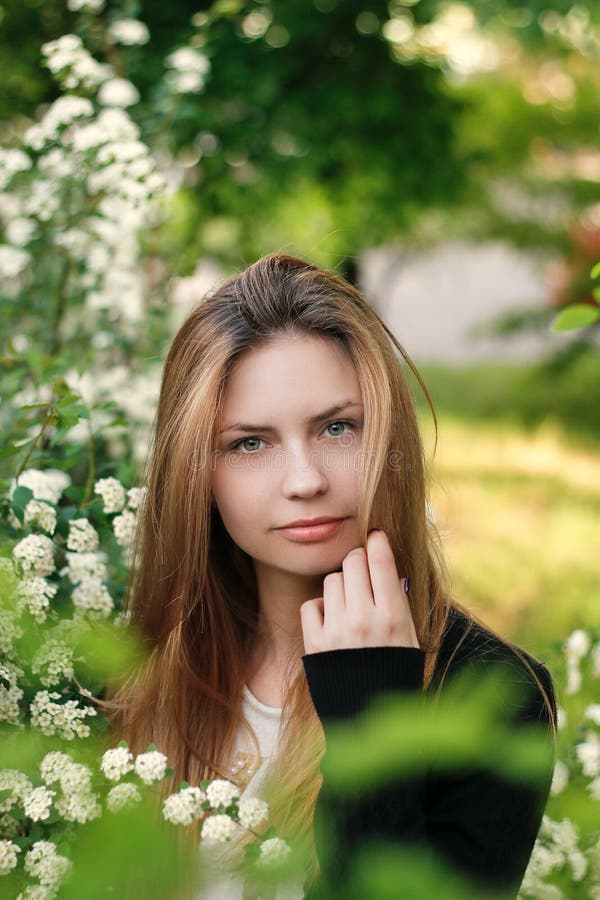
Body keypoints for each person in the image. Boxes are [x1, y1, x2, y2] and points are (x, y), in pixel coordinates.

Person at [98, 253, 557, 899]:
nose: (305, 480)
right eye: (249, 443)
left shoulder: (490, 694)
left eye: (338, 428)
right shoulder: (132, 666)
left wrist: (373, 719)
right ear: (197, 473)